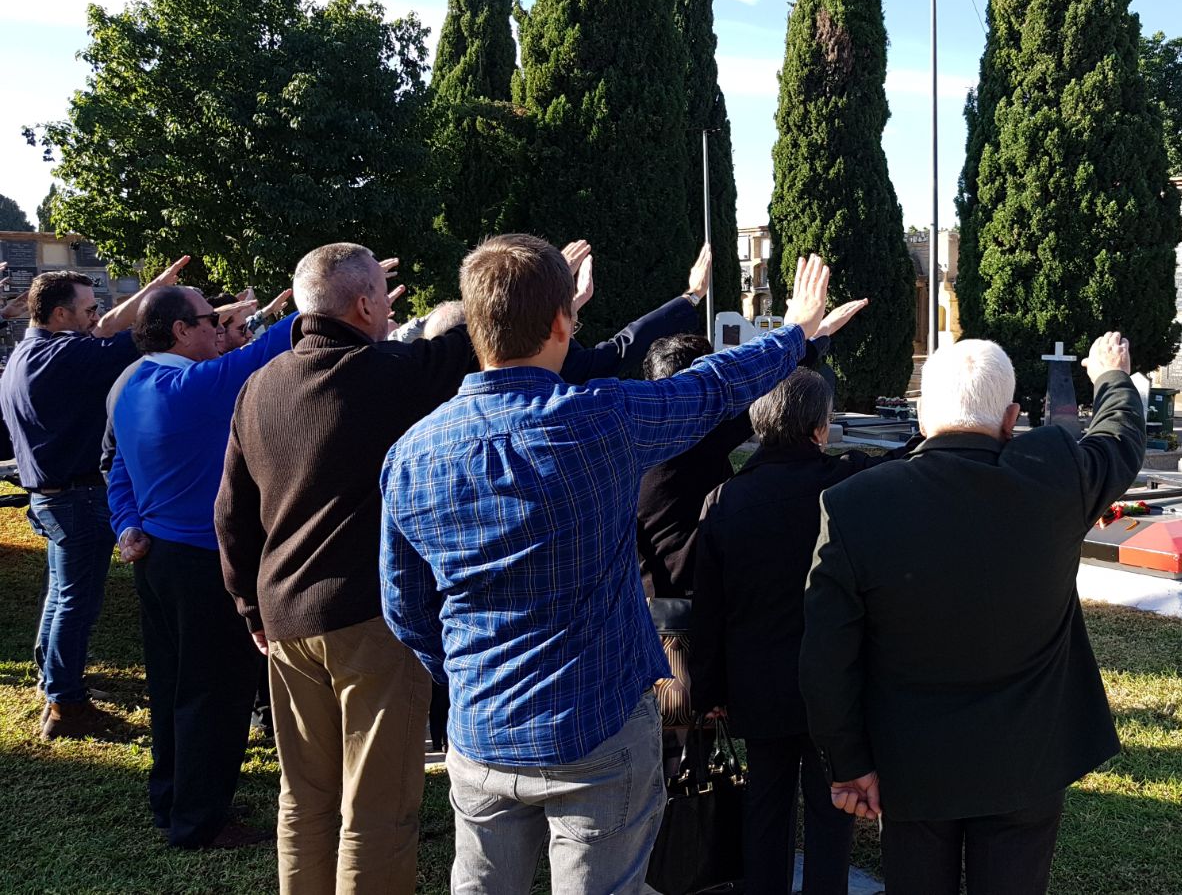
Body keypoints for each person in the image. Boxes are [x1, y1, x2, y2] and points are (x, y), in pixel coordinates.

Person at [216, 239, 712, 895]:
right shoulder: (392, 374)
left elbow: (230, 513)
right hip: (367, 621)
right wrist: (555, 295)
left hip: (285, 623)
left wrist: (252, 610)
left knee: (302, 798)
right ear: (365, 304)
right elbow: (507, 340)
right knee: (376, 808)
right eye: (384, 308)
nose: (394, 322)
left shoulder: (258, 385)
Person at [380, 235, 830, 895]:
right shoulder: (598, 421)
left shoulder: (411, 452)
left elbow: (405, 606)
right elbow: (713, 386)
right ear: (563, 321)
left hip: (481, 734)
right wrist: (795, 334)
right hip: (598, 734)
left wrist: (467, 678)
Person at [799, 332, 1143, 895]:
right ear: (1011, 418)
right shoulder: (1056, 476)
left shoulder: (855, 504)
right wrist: (1110, 375)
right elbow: (1120, 436)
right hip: (1026, 758)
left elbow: (826, 657)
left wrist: (849, 761)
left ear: (922, 412)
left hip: (911, 763)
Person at [691, 366, 917, 895]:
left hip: (756, 683)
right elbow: (903, 465)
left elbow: (710, 609)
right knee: (830, 809)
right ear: (820, 427)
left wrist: (710, 689)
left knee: (765, 807)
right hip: (833, 685)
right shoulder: (844, 482)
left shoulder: (724, 500)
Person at [107, 286, 296, 849]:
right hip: (201, 563)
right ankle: (199, 822)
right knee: (215, 694)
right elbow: (270, 348)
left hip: (158, 561)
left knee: (171, 687)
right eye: (210, 318)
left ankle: (171, 800)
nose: (220, 325)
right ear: (178, 331)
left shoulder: (132, 384)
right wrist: (335, 292)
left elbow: (117, 468)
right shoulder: (192, 385)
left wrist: (127, 523)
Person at [0, 257, 188, 739]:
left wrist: (152, 288)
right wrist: (160, 302)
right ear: (61, 315)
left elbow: (105, 328)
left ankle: (53, 680)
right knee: (76, 602)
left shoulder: (29, 353)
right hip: (78, 501)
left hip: (49, 497)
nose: (95, 314)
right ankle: (65, 706)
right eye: (87, 307)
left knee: (61, 595)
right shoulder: (70, 358)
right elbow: (134, 335)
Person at [635, 297, 866, 602]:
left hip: (647, 598)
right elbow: (758, 388)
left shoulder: (636, 439)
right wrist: (811, 338)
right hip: (685, 603)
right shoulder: (689, 440)